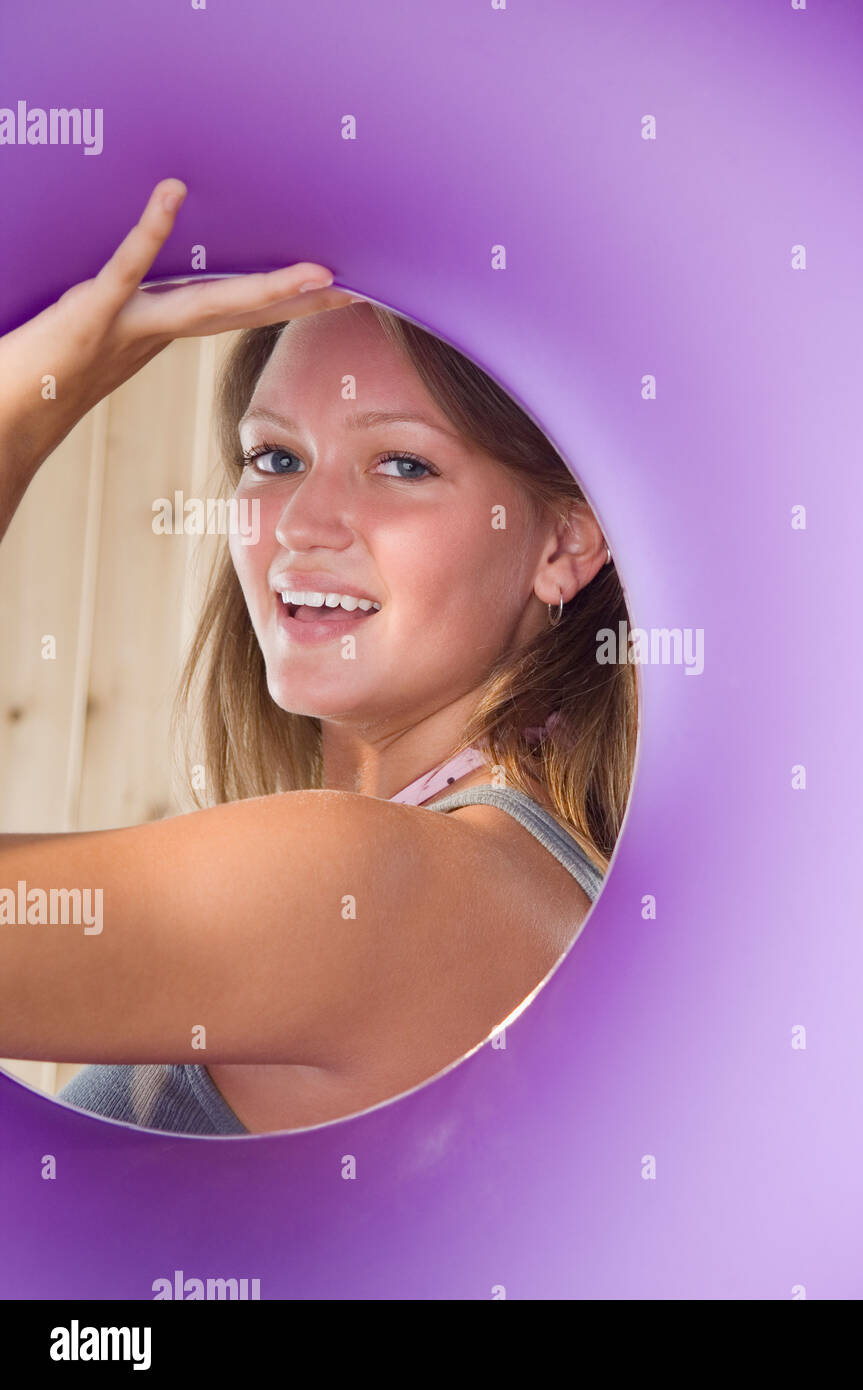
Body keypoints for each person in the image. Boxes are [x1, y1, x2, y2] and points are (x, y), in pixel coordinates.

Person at [0, 179, 636, 1136]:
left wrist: (26, 407)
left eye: (403, 465)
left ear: (564, 545)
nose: (301, 523)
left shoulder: (371, 884)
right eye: (275, 458)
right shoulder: (491, 872)